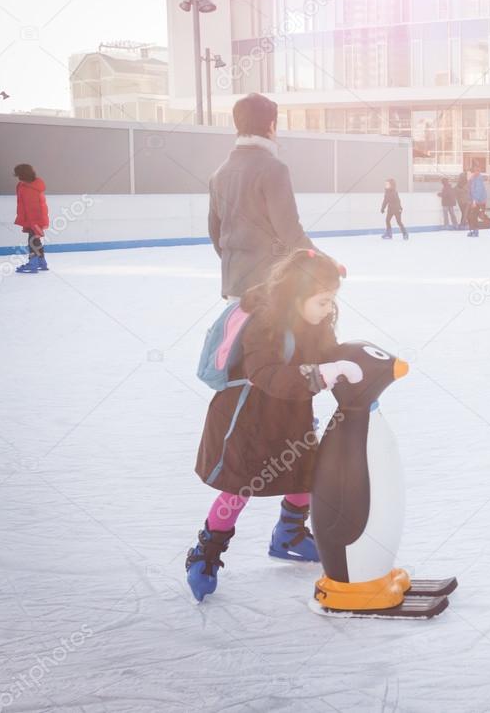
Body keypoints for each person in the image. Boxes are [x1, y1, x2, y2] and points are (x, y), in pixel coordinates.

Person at [186, 249, 361, 601]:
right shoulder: (264, 322)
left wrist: (354, 361)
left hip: (290, 413)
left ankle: (290, 535)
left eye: (332, 301)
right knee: (239, 488)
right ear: (297, 297)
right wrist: (320, 375)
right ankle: (206, 552)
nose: (329, 309)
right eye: (323, 301)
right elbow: (265, 375)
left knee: (303, 473)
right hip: (247, 419)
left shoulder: (315, 321)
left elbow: (326, 354)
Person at [209, 93, 319, 300]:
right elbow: (290, 233)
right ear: (271, 126)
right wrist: (323, 262)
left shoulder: (219, 173)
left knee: (240, 332)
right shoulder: (273, 169)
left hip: (234, 286)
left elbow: (215, 233)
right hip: (268, 287)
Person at [13, 163, 50, 273]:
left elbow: (32, 207)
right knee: (35, 239)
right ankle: (41, 261)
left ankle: (33, 263)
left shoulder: (28, 188)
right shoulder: (30, 185)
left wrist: (34, 223)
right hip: (34, 219)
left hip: (33, 219)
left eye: (18, 174)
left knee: (32, 240)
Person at [466, 166, 490, 237]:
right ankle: (475, 231)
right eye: (474, 171)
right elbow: (470, 191)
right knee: (473, 216)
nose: (469, 175)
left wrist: (474, 201)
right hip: (475, 201)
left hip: (480, 201)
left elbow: (478, 191)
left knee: (476, 216)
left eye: (477, 171)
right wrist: (470, 200)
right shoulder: (472, 180)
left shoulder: (478, 179)